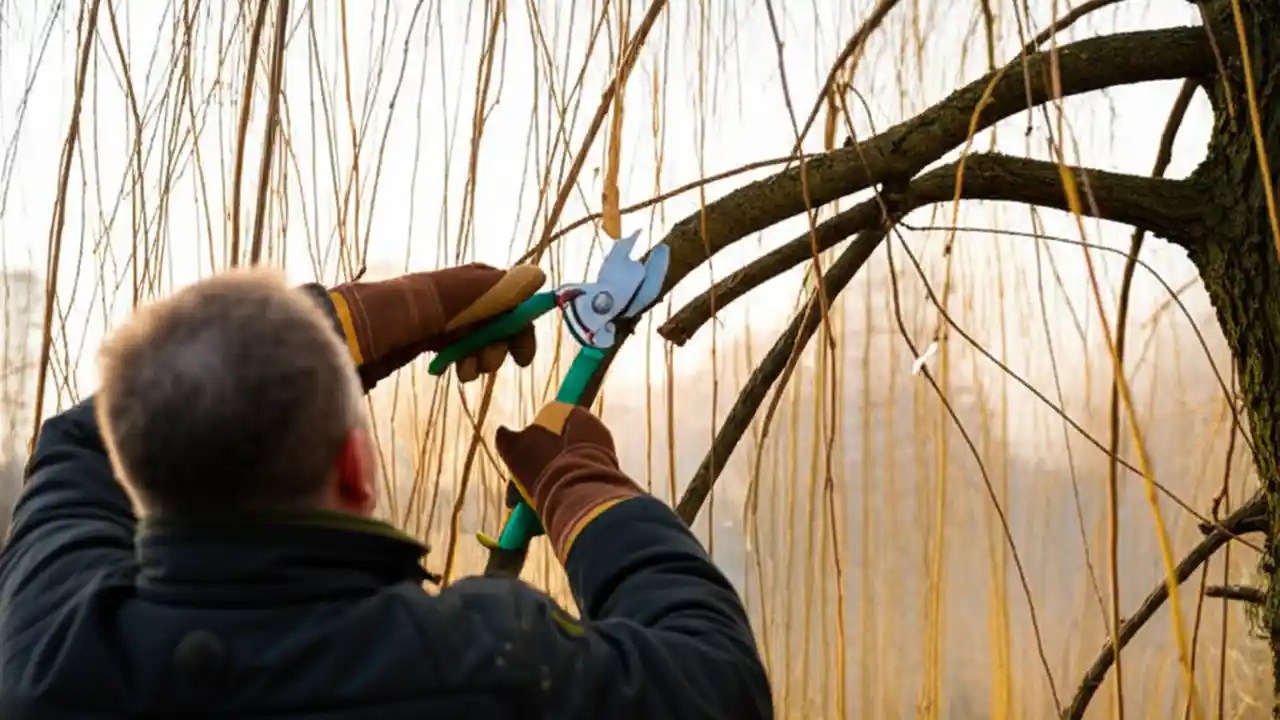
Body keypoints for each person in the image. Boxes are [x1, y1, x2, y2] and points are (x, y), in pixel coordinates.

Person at [0, 263, 772, 719]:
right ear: (356, 470)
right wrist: (586, 491)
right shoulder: (484, 665)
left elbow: (79, 439)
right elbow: (719, 681)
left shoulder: (48, 655)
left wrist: (355, 320)